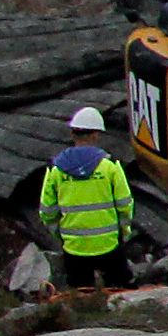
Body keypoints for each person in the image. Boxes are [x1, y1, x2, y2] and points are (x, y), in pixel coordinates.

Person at [33, 107, 131, 290]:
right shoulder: (109, 167)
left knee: (80, 296)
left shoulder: (56, 170)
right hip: (108, 244)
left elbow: (47, 210)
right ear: (96, 135)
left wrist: (60, 233)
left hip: (74, 247)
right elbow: (125, 205)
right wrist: (123, 231)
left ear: (72, 134)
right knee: (121, 290)